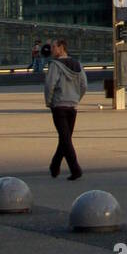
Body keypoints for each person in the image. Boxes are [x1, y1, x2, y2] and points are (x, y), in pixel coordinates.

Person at [44, 37, 87, 179]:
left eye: (53, 47)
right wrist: (76, 98)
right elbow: (84, 85)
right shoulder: (77, 64)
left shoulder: (55, 65)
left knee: (65, 139)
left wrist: (49, 102)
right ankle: (55, 166)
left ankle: (75, 169)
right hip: (72, 106)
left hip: (59, 106)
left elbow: (50, 85)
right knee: (65, 138)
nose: (51, 49)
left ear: (61, 47)